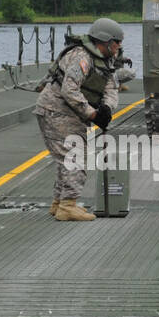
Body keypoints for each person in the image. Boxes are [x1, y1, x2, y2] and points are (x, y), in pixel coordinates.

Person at [34, 17, 122, 222]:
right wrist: (91, 113)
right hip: (56, 111)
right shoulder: (82, 57)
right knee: (74, 157)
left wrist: (107, 108)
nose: (119, 46)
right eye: (116, 41)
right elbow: (69, 88)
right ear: (105, 41)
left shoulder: (105, 60)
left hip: (69, 113)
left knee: (66, 159)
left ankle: (59, 203)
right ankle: (68, 206)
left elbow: (110, 87)